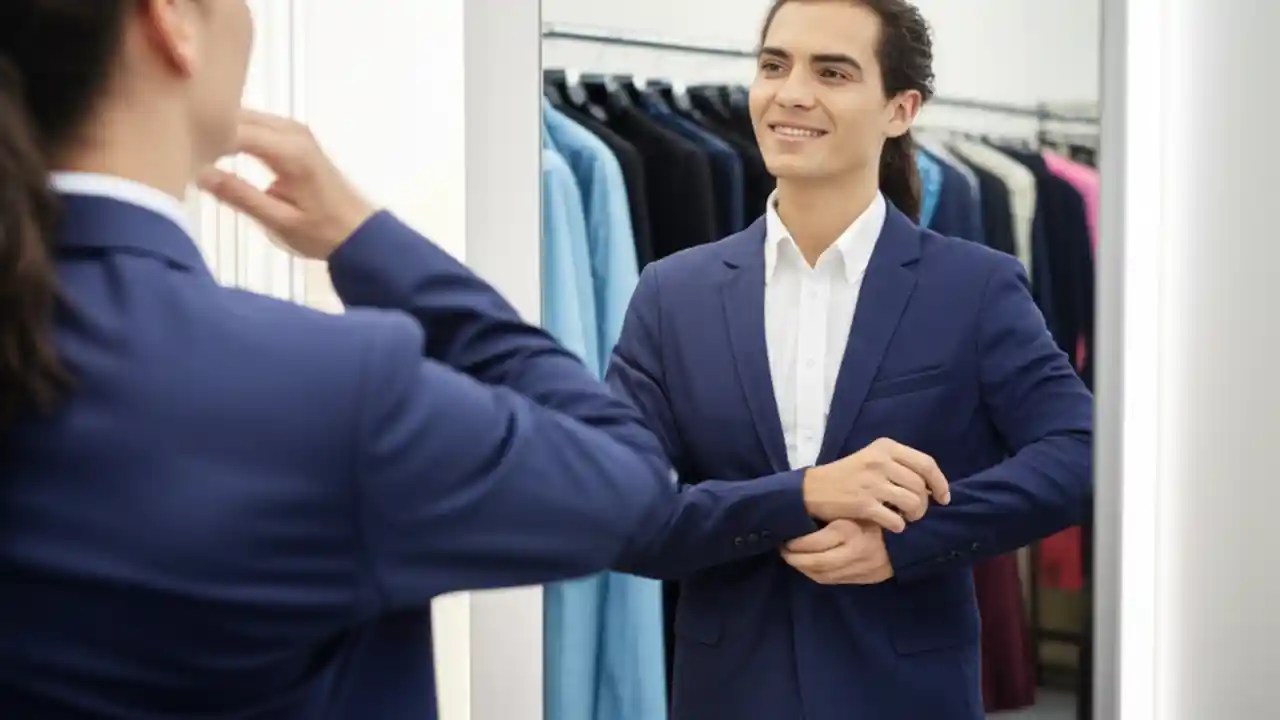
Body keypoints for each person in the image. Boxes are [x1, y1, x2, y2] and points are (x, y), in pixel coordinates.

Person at [606, 1, 1094, 718]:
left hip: (905, 694)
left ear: (900, 108)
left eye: (831, 72)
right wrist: (801, 496)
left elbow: (1080, 454)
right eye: (775, 65)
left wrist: (913, 541)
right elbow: (621, 514)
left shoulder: (973, 288)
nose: (791, 92)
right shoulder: (671, 294)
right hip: (730, 694)